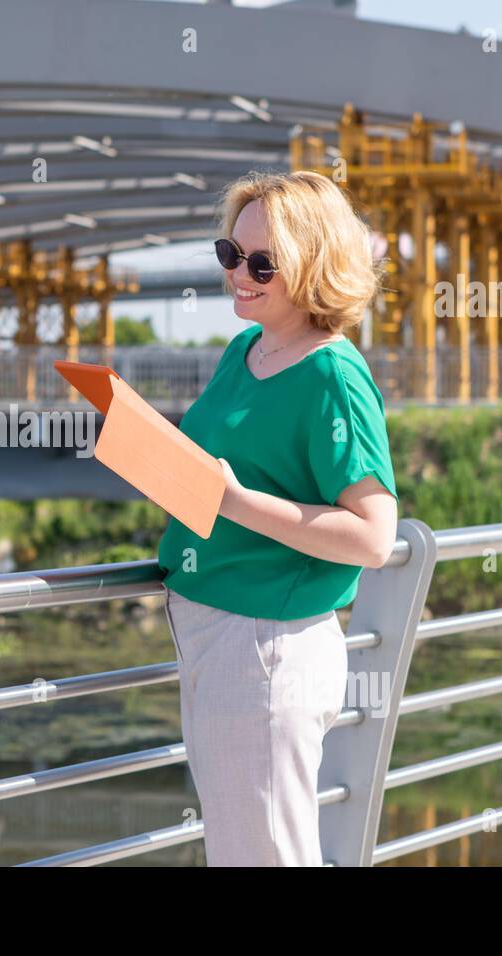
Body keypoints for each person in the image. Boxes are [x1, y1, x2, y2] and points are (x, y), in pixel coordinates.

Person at [156, 169, 399, 866]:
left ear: (313, 264)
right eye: (231, 255)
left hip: (265, 646)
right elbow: (225, 468)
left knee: (262, 855)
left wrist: (232, 501)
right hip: (210, 631)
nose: (241, 273)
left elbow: (374, 535)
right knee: (246, 849)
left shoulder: (332, 375)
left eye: (264, 263)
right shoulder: (246, 350)